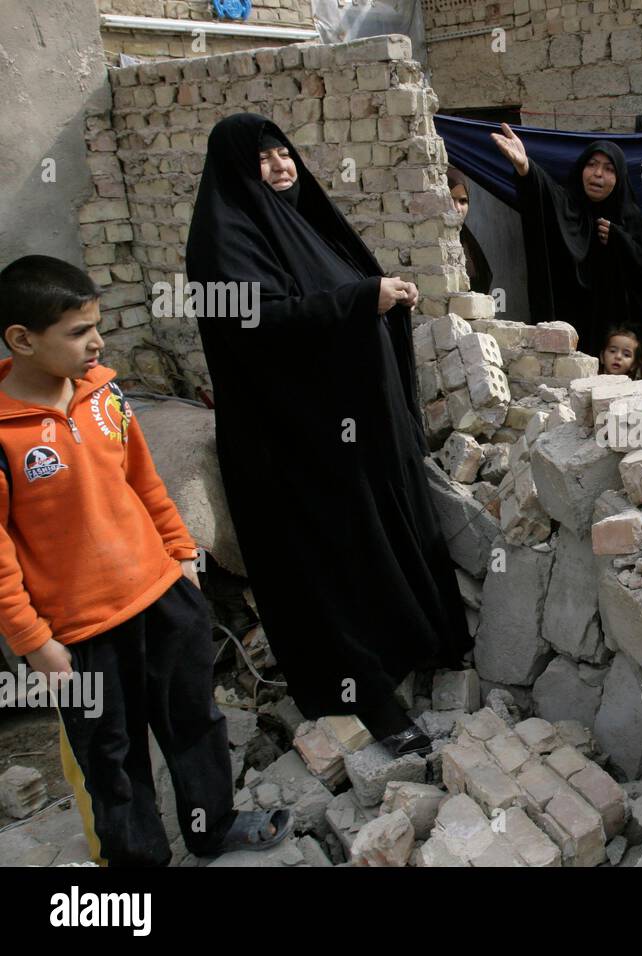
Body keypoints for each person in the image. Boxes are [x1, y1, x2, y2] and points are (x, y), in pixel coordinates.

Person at [185, 114, 471, 757]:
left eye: (284, 152)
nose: (280, 166)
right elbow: (254, 326)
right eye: (262, 159)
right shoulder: (222, 237)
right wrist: (361, 299)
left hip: (348, 430)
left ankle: (412, 648)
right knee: (328, 558)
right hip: (289, 441)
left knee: (375, 537)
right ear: (236, 170)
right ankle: (364, 691)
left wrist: (378, 299)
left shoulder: (301, 219)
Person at [0, 255, 291, 865]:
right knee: (113, 758)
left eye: (96, 325)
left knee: (195, 723)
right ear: (22, 340)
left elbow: (143, 478)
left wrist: (181, 555)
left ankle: (213, 828)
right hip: (80, 633)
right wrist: (34, 642)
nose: (97, 341)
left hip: (162, 597)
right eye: (78, 332)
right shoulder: (5, 436)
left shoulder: (104, 393)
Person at [490, 124, 642, 355]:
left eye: (608, 168)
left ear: (619, 177)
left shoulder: (629, 218)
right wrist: (525, 167)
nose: (598, 174)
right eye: (591, 165)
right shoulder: (569, 204)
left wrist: (620, 240)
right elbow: (546, 193)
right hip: (570, 326)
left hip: (614, 342)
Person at [445, 165, 494, 296]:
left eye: (463, 201)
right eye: (451, 199)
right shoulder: (427, 244)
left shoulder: (469, 244)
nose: (457, 208)